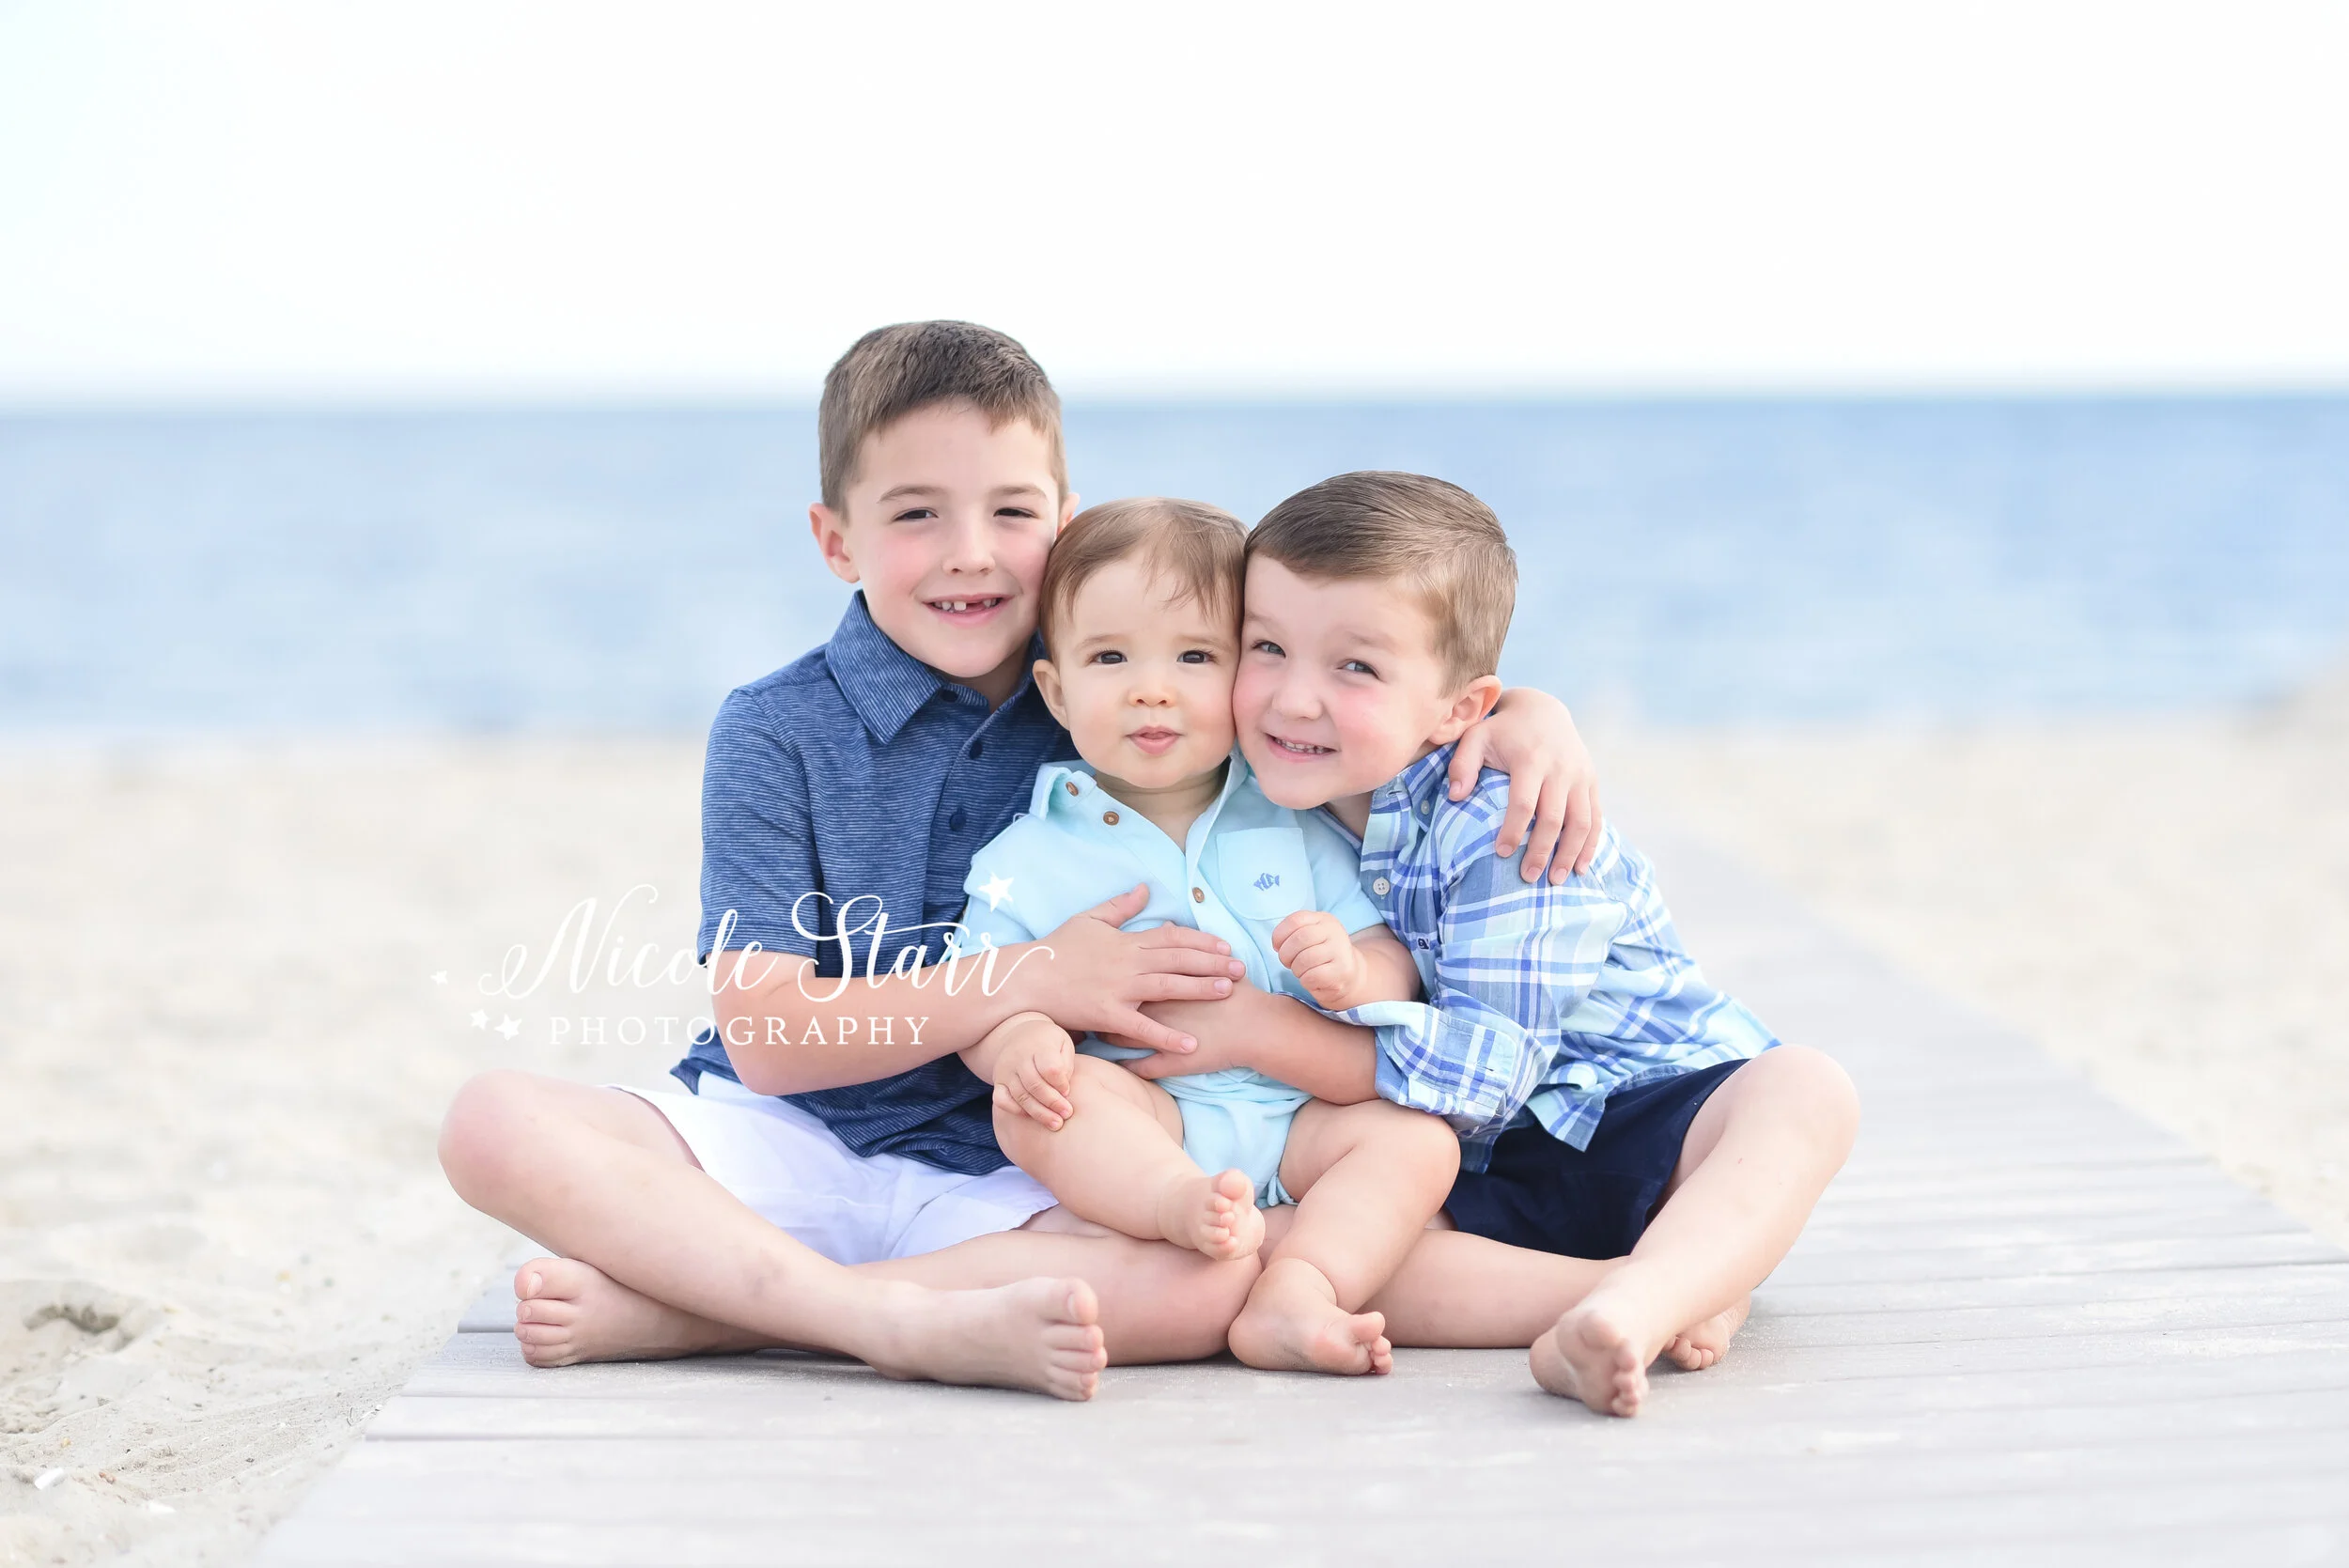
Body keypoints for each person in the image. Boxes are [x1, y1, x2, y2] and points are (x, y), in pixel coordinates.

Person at [435, 323, 1608, 1400]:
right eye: (914, 516)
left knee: (1212, 1269)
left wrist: (1526, 713)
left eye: (1010, 513)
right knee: (491, 1121)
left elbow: (1337, 668)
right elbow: (773, 1040)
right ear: (834, 537)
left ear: (1067, 516)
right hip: (781, 1137)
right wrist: (1027, 982)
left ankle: (712, 1312)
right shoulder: (775, 727)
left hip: (1019, 1164)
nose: (971, 557)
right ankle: (878, 1322)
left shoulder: (1125, 696)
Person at [1221, 471, 1861, 1416]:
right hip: (1480, 1164)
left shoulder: (1506, 815)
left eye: (1354, 666)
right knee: (1290, 1242)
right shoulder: (1272, 792)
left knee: (1806, 1089)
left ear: (1456, 711)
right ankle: (1645, 1292)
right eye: (1265, 647)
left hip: (1641, 1111)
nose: (1293, 698)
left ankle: (1652, 1289)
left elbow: (1484, 1077)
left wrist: (1255, 1032)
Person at [952, 498, 1457, 1375]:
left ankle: (1301, 1284)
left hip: (1299, 1115)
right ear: (1057, 689)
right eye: (1111, 658)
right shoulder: (1030, 854)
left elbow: (1389, 958)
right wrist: (1022, 1042)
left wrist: (1350, 973)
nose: (1154, 688)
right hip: (1152, 1116)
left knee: (1420, 1142)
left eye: (1194, 656)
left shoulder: (1292, 818)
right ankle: (1174, 1204)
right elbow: (979, 990)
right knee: (1047, 1104)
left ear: (1241, 677)